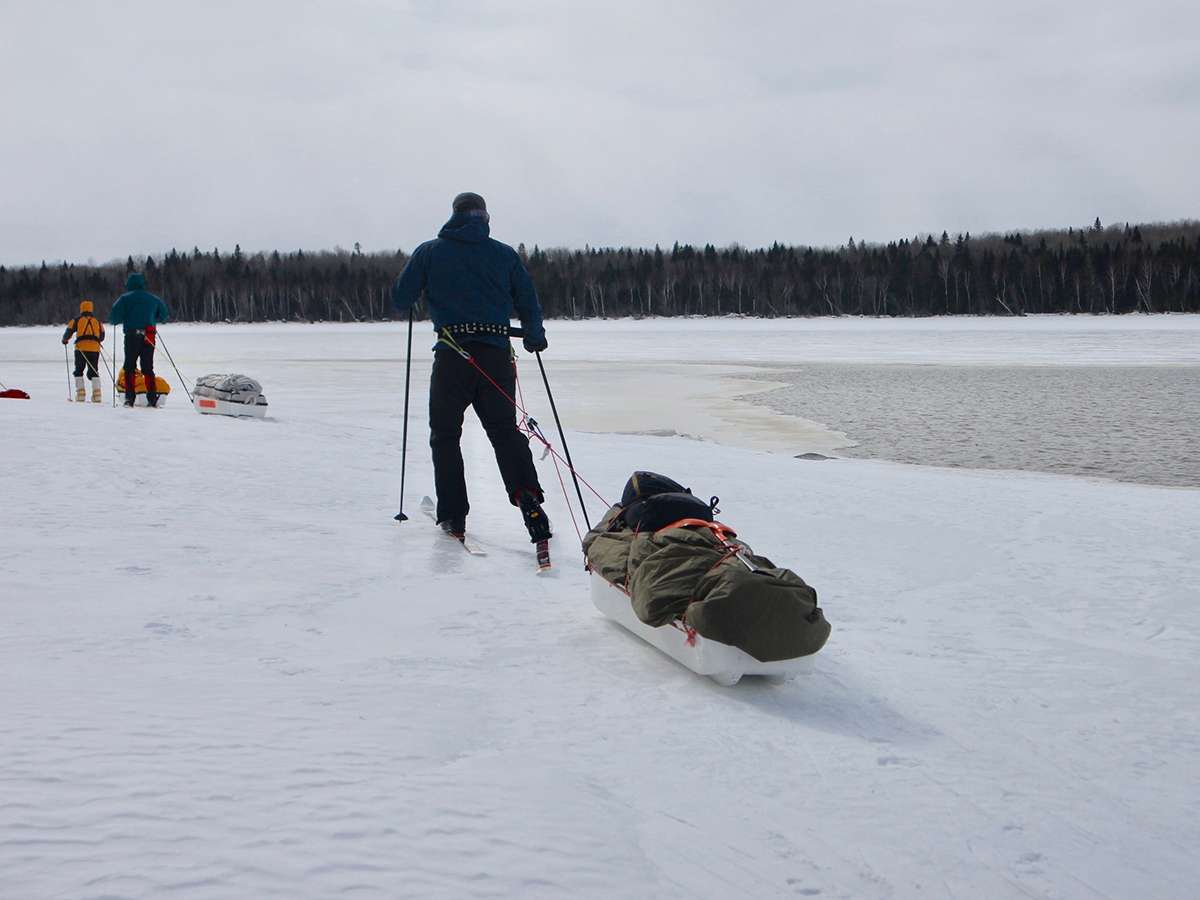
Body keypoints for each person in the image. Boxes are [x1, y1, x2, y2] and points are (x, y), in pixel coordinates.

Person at [391, 192, 551, 543]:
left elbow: (401, 298)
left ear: (454, 216)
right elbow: (528, 299)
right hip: (495, 356)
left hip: (452, 356)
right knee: (504, 432)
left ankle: (453, 516)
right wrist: (534, 335)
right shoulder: (504, 254)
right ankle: (528, 499)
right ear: (485, 218)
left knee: (446, 435)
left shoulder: (430, 251)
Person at [109, 272, 169, 407]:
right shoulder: (154, 299)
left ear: (129, 284)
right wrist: (153, 319)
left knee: (129, 366)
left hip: (132, 336)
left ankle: (130, 399)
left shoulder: (124, 299)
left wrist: (120, 319)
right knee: (148, 367)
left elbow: (113, 318)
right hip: (149, 335)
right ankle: (152, 399)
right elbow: (164, 315)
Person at [61, 299, 105, 402]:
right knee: (94, 370)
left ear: (82, 309)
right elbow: (102, 336)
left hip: (81, 349)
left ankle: (80, 394)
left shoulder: (76, 320)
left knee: (79, 370)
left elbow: (69, 331)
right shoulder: (98, 322)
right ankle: (97, 394)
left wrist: (65, 340)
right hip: (94, 349)